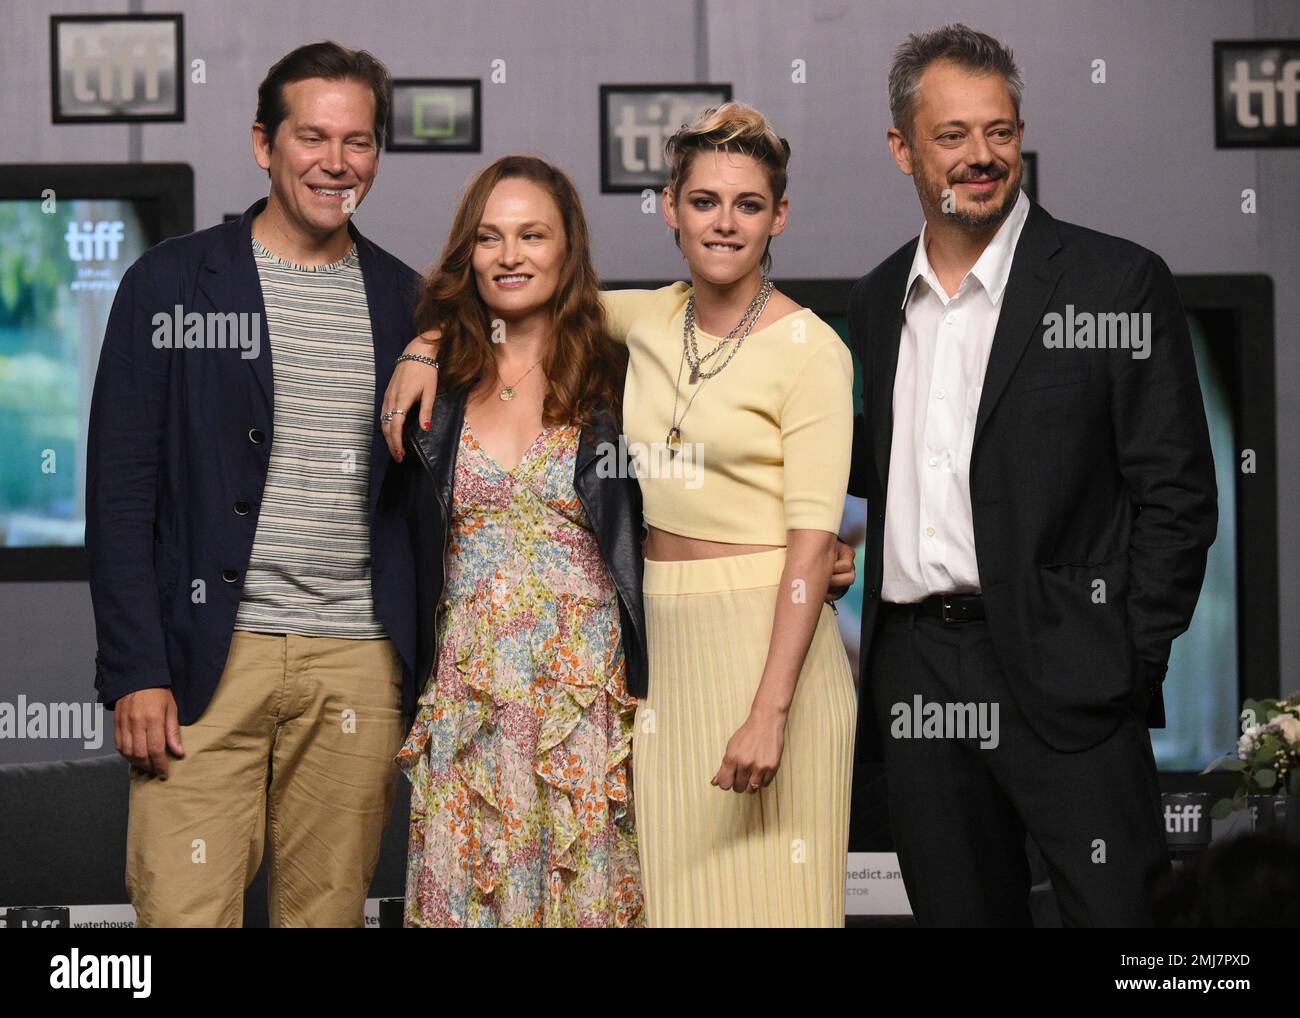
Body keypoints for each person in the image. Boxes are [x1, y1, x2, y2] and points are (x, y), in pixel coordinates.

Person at [846, 24, 1218, 926]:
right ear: (902, 148)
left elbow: (1177, 494)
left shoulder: (1114, 282)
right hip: (919, 676)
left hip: (1071, 670)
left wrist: (1128, 658)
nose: (981, 156)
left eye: (1000, 131)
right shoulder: (876, 299)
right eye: (952, 134)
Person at [87, 42, 422, 927]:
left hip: (356, 664)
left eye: (358, 141)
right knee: (183, 910)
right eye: (312, 137)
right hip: (203, 661)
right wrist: (135, 670)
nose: (336, 162)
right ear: (263, 144)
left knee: (327, 915)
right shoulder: (168, 284)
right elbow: (120, 494)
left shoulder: (407, 303)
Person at [389, 155, 647, 927]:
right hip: (468, 696)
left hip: (584, 701)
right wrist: (426, 341)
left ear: (568, 248)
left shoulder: (619, 374)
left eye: (532, 235)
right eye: (489, 237)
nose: (510, 255)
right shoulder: (437, 379)